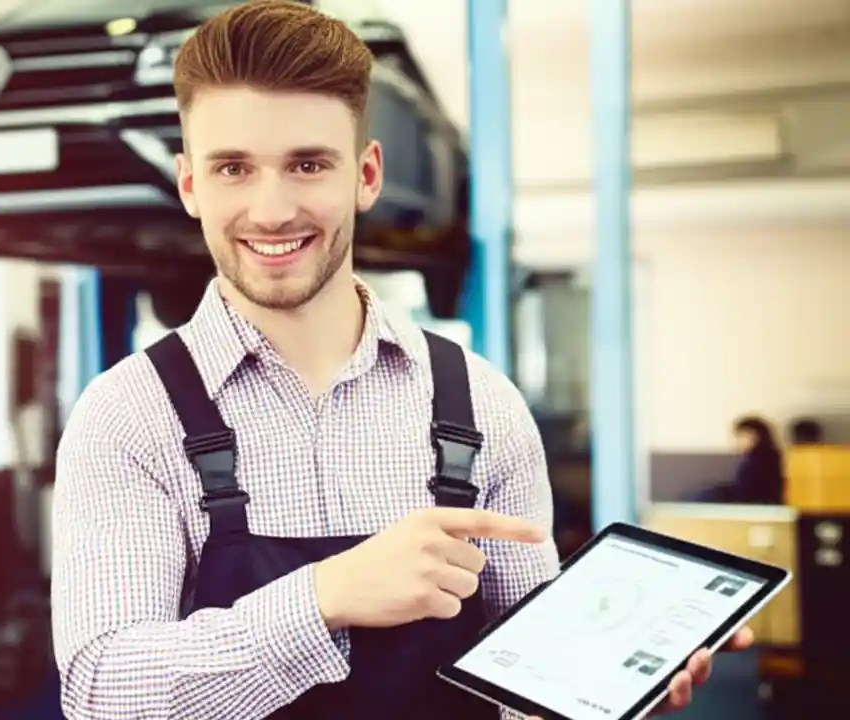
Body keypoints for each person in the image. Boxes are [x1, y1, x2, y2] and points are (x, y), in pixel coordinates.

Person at [50, 2, 750, 718]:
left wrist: (601, 689)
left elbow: (526, 701)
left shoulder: (481, 404)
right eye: (233, 168)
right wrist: (326, 598)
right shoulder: (128, 416)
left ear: (367, 174)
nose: (271, 209)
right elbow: (105, 695)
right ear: (190, 184)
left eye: (308, 164)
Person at [730, 416, 785, 504]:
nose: (738, 441)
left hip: (758, 506)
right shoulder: (755, 457)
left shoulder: (762, 459)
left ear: (755, 436)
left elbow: (748, 490)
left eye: (741, 436)